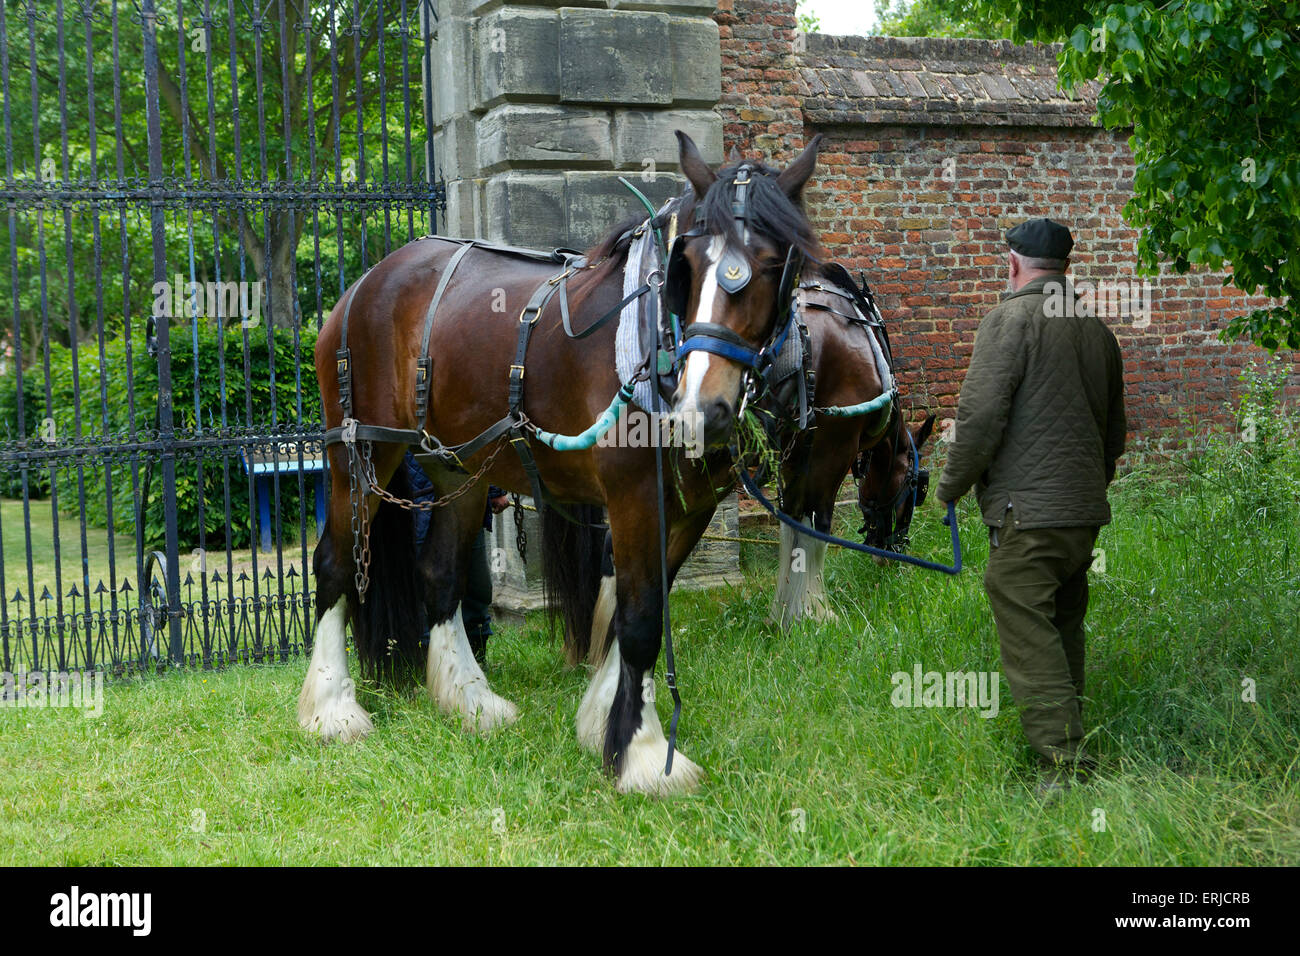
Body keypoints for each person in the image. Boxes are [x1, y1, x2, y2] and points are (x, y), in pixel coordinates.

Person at [935, 218, 1127, 800]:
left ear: (1013, 265)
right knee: (1061, 617)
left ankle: (1065, 765)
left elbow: (979, 421)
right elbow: (1112, 434)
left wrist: (947, 489)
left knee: (1019, 607)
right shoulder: (1097, 332)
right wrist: (1089, 488)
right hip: (1082, 513)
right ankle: (1073, 730)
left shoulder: (1008, 320)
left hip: (1030, 513)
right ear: (1064, 269)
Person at [404, 452, 510, 666]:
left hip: (465, 501)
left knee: (477, 586)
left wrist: (494, 490)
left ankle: (477, 658)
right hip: (418, 503)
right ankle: (428, 661)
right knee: (425, 589)